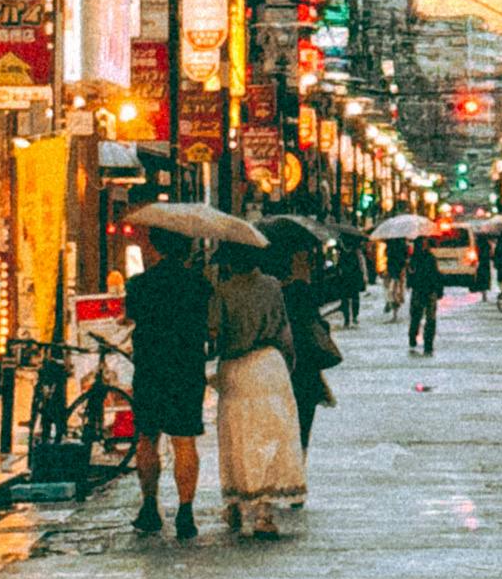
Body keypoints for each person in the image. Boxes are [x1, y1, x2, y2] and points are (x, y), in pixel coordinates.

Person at [211, 238, 308, 535]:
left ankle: (235, 504)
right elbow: (284, 330)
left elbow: (215, 335)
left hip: (237, 369)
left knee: (237, 437)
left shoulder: (222, 292)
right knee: (271, 436)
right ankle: (264, 513)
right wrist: (287, 364)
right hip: (271, 366)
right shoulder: (272, 286)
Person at [125, 220, 211, 540]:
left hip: (150, 367)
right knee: (184, 440)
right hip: (187, 368)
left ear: (155, 246)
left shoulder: (139, 285)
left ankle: (150, 506)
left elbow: (131, 316)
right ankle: (186, 512)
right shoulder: (198, 285)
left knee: (148, 437)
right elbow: (206, 325)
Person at [265, 219, 343, 454]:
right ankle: (296, 468)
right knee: (301, 424)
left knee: (280, 423)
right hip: (303, 368)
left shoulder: (270, 289)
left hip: (277, 366)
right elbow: (317, 327)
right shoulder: (300, 291)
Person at [404, 234, 444, 356]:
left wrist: (439, 289)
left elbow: (436, 274)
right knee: (416, 317)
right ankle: (413, 337)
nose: (424, 245)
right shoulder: (414, 259)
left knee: (430, 319)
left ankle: (428, 344)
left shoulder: (430, 258)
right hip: (418, 290)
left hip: (430, 290)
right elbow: (410, 276)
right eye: (422, 243)